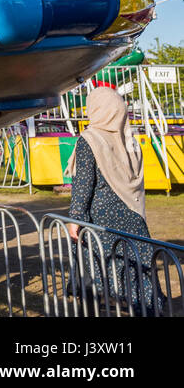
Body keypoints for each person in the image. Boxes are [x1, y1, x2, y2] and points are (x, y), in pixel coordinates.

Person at [67, 87, 160, 314]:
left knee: (99, 273)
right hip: (133, 216)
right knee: (138, 275)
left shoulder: (90, 140)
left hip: (102, 221)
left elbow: (83, 185)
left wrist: (75, 218)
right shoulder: (129, 140)